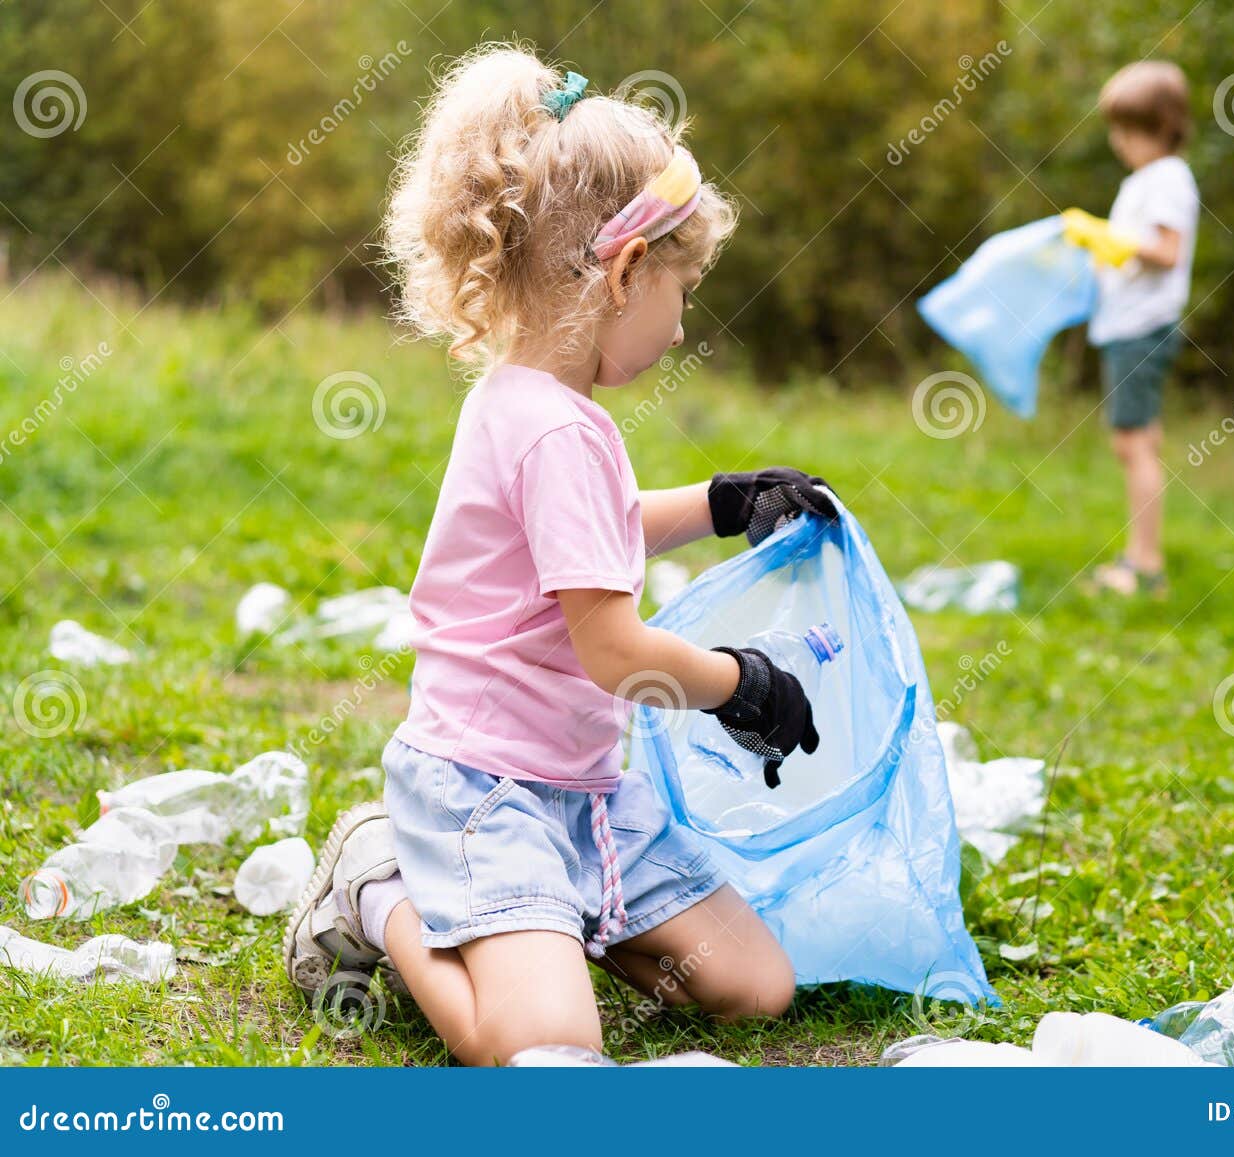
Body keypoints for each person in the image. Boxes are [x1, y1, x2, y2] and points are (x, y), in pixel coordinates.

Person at [282, 46, 837, 1065]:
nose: (681, 324)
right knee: (538, 1046)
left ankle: (547, 921)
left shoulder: (523, 398)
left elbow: (591, 530)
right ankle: (379, 890)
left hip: (585, 790)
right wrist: (742, 686)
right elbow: (613, 649)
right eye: (681, 288)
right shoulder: (556, 428)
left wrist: (720, 503)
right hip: (485, 790)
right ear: (626, 272)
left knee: (754, 986)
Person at [1064, 60, 1199, 598]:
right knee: (1141, 441)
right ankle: (1142, 554)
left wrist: (1109, 238)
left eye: (1129, 130)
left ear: (1163, 127)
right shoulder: (1147, 179)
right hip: (1130, 326)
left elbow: (1167, 250)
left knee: (1132, 446)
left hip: (1140, 330)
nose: (1119, 141)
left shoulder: (1166, 178)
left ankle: (1145, 567)